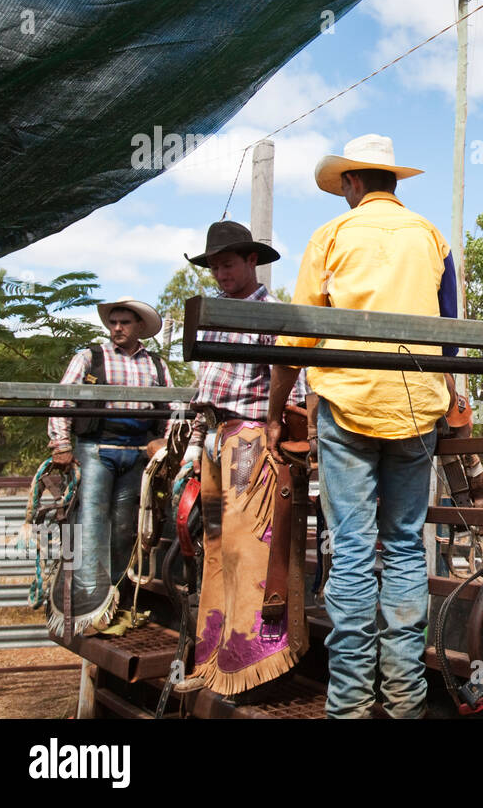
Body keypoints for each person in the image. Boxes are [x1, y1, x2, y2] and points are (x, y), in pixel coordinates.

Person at [266, 134, 457, 719]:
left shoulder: (332, 235)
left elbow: (299, 331)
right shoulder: (431, 236)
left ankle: (348, 704)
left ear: (352, 183)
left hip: (348, 401)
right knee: (403, 546)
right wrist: (449, 397)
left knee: (351, 548)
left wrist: (276, 412)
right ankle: (405, 699)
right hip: (417, 404)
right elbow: (451, 328)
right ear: (392, 183)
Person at [180, 220, 308, 695]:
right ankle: (215, 661)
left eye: (228, 263)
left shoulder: (272, 315)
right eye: (214, 265)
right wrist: (195, 444)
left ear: (252, 260)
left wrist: (280, 441)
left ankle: (256, 666)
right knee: (217, 552)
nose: (220, 273)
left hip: (253, 439)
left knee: (250, 551)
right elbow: (205, 391)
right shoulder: (215, 313)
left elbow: (295, 382)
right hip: (216, 440)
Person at [47, 296, 178, 636]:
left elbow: (174, 408)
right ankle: (86, 611)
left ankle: (113, 603)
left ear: (139, 328)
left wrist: (165, 443)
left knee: (125, 528)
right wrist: (61, 445)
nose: (117, 328)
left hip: (137, 451)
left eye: (125, 322)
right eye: (114, 322)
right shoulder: (89, 357)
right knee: (90, 523)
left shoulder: (157, 365)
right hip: (96, 447)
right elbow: (62, 398)